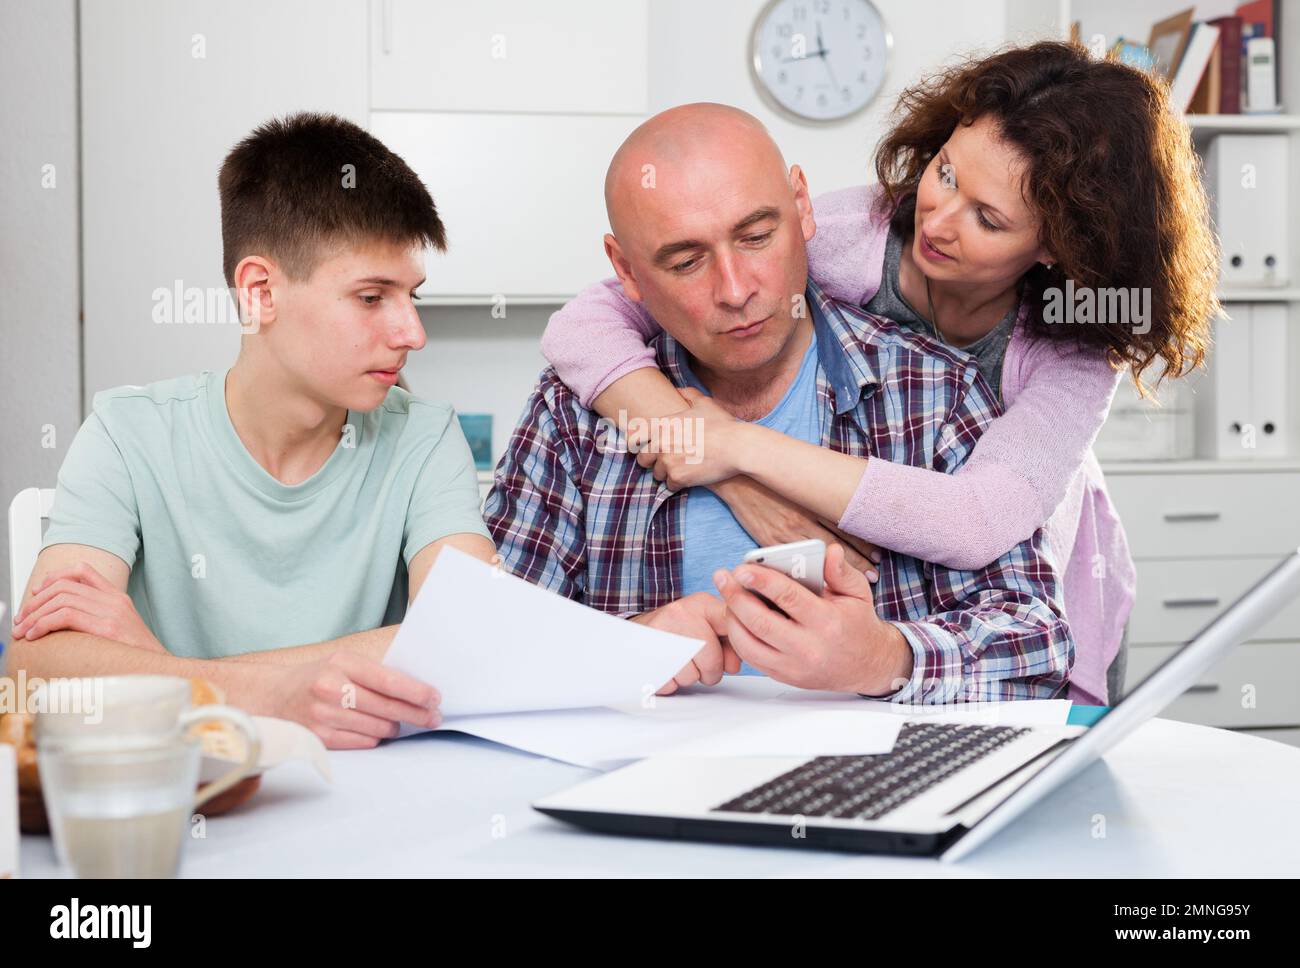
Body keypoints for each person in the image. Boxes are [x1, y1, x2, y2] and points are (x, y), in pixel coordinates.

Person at [539, 42, 1220, 705]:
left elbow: (976, 524)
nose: (939, 222)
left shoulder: (1073, 344)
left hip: (1054, 573)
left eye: (988, 218)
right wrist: (715, 458)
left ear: (1058, 244)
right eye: (947, 173)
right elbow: (587, 321)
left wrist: (735, 447)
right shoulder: (845, 231)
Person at [484, 102, 1073, 703]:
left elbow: (1039, 648)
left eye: (757, 237)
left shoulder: (936, 393)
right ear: (625, 272)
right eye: (686, 262)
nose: (736, 291)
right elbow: (482, 644)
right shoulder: (574, 413)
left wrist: (883, 658)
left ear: (802, 207)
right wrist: (630, 645)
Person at [10, 113, 496, 749]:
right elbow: (36, 674)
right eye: (373, 298)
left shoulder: (425, 438)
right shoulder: (127, 434)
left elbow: (472, 638)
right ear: (260, 291)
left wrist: (165, 673)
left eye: (414, 296)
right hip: (196, 811)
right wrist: (277, 696)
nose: (412, 333)